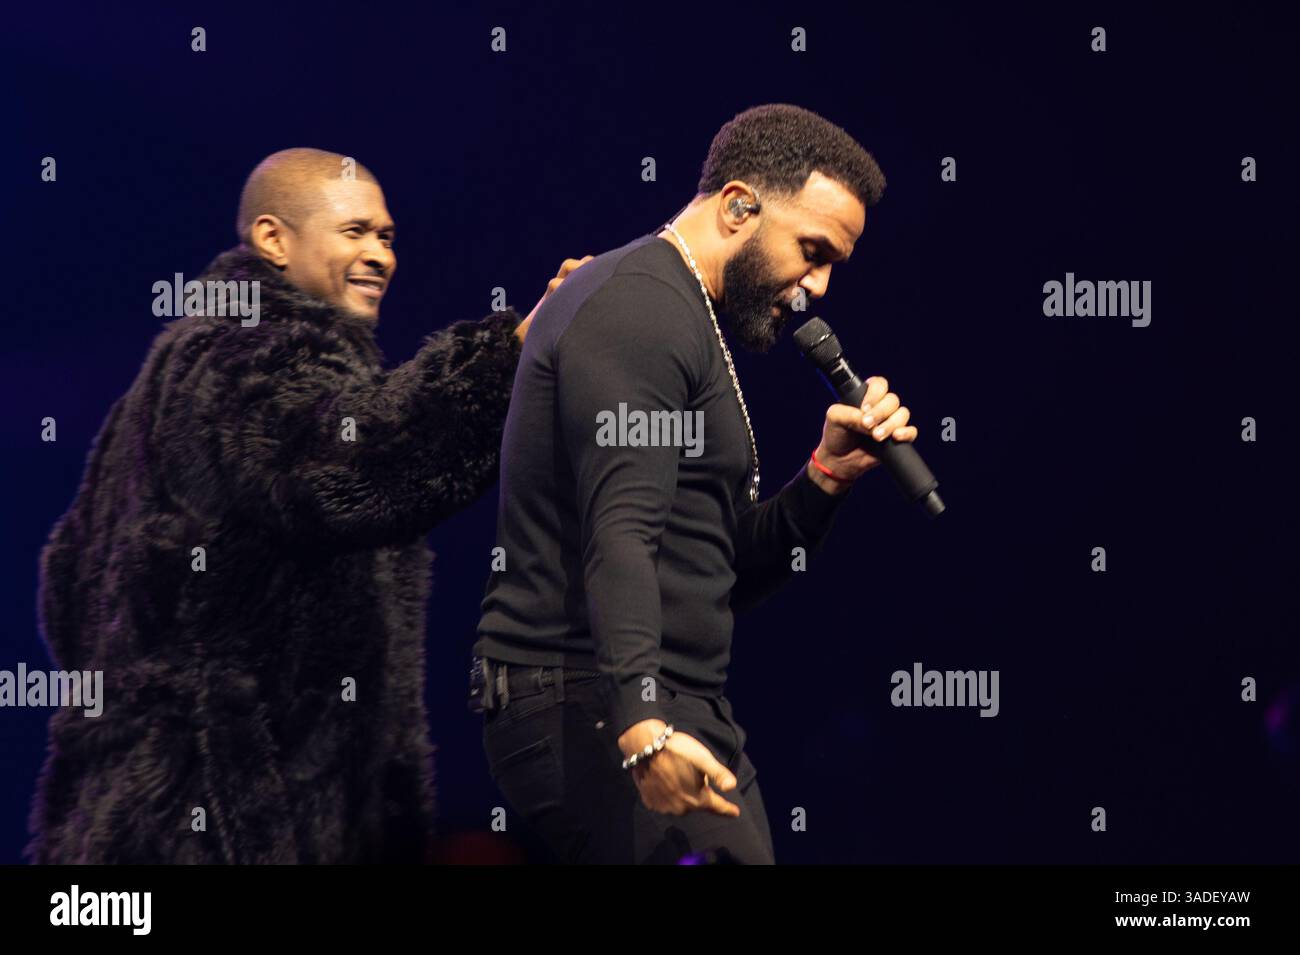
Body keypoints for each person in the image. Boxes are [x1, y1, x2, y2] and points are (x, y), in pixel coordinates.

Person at [27, 148, 587, 863]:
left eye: (386, 236)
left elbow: (68, 582)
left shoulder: (175, 374)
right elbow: (344, 471)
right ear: (273, 239)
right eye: (355, 231)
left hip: (145, 815)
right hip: (222, 818)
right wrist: (512, 353)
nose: (380, 254)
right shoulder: (245, 347)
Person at [473, 104, 919, 863]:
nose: (818, 286)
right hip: (592, 696)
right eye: (812, 251)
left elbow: (713, 570)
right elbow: (622, 532)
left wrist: (826, 476)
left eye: (833, 264)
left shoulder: (682, 313)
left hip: (656, 698)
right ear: (739, 206)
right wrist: (643, 728)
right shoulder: (641, 308)